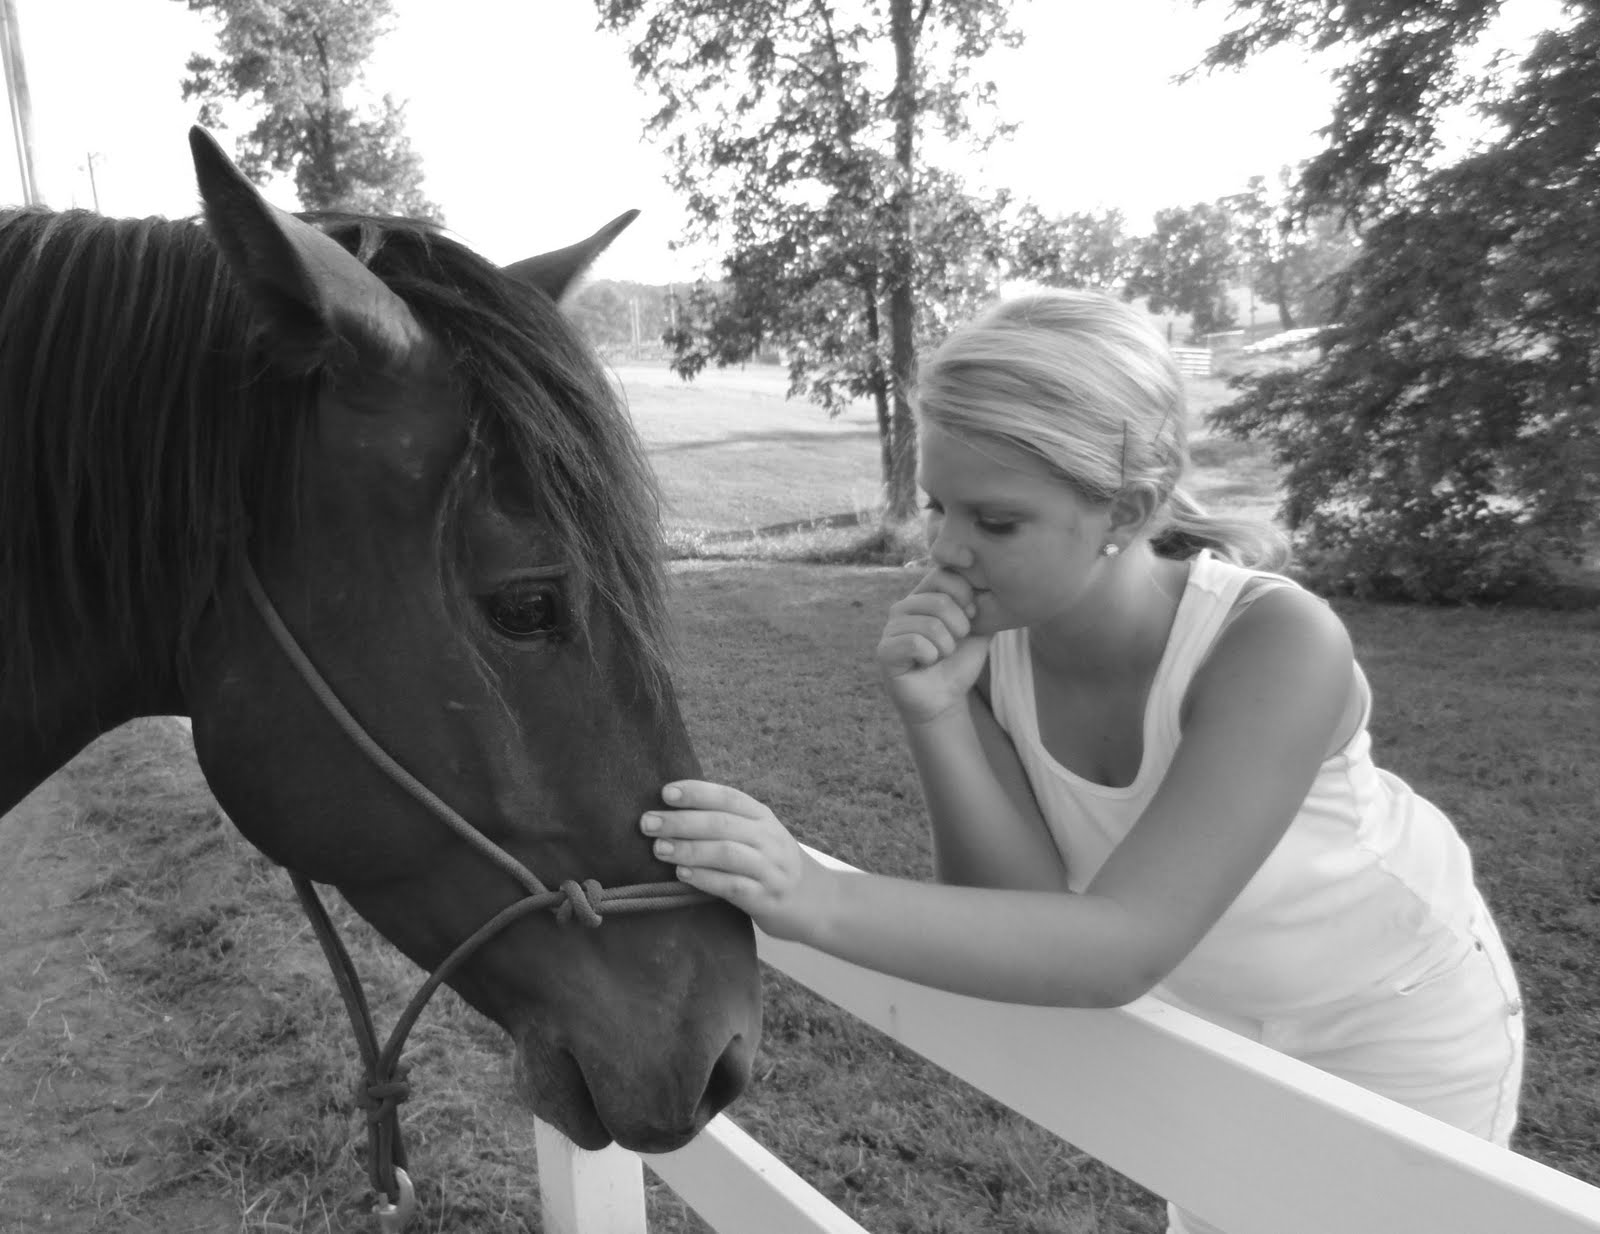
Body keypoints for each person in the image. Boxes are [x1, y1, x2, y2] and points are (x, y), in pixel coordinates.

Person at [640, 291, 1524, 1234]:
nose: (946, 548)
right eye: (942, 507)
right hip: (1210, 1027)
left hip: (1392, 1023)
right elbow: (1022, 918)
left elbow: (1120, 947)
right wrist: (938, 714)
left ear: (1129, 508)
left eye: (998, 521)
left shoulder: (1273, 642)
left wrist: (814, 896)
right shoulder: (993, 655)